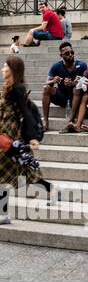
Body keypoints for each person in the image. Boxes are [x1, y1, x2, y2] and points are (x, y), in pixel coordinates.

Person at [0, 57, 51, 206]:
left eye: (5, 66)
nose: (3, 69)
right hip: (4, 133)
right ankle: (51, 190)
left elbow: (26, 112)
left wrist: (33, 137)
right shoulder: (8, 86)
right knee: (28, 171)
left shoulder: (17, 88)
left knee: (3, 174)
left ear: (13, 70)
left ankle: (2, 214)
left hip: (11, 135)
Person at [41, 42, 88, 129]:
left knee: (76, 88)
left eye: (72, 52)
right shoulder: (56, 66)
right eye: (67, 53)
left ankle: (71, 119)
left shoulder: (82, 65)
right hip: (62, 98)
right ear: (61, 55)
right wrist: (54, 80)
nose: (70, 55)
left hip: (77, 98)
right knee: (46, 88)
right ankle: (45, 121)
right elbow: (46, 82)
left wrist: (75, 83)